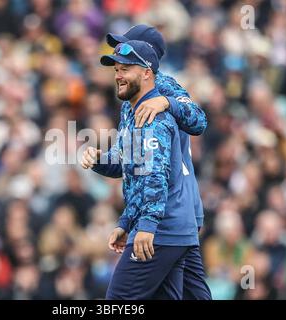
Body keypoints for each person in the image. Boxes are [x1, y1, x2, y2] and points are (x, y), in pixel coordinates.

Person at [90, 24, 212, 300]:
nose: (118, 68)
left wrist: (166, 102)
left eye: (126, 60)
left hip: (169, 212)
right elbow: (131, 163)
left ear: (148, 65)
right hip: (171, 213)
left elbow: (198, 123)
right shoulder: (130, 102)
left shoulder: (161, 89)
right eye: (117, 66)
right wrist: (100, 161)